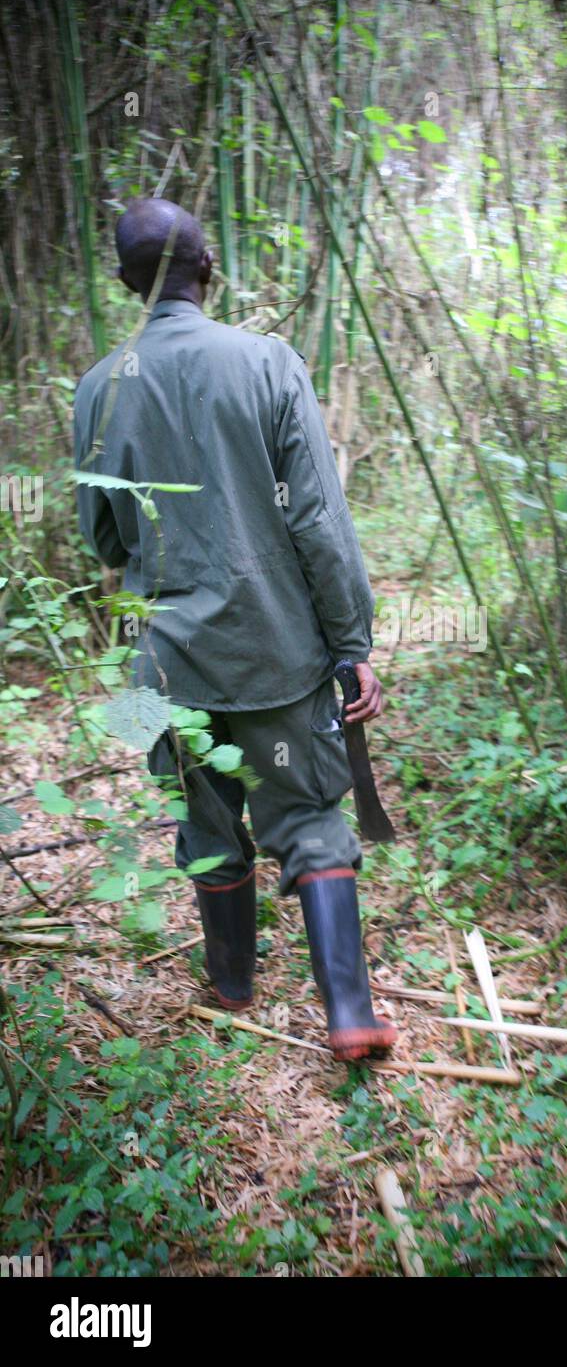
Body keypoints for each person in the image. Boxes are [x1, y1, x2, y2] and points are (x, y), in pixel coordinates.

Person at [74, 198, 397, 1063]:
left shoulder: (101, 388)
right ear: (207, 269)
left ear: (126, 284)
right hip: (276, 650)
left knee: (204, 822)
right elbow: (320, 524)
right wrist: (350, 644)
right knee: (310, 820)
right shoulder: (267, 362)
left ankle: (231, 984)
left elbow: (104, 538)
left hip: (163, 668)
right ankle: (348, 1009)